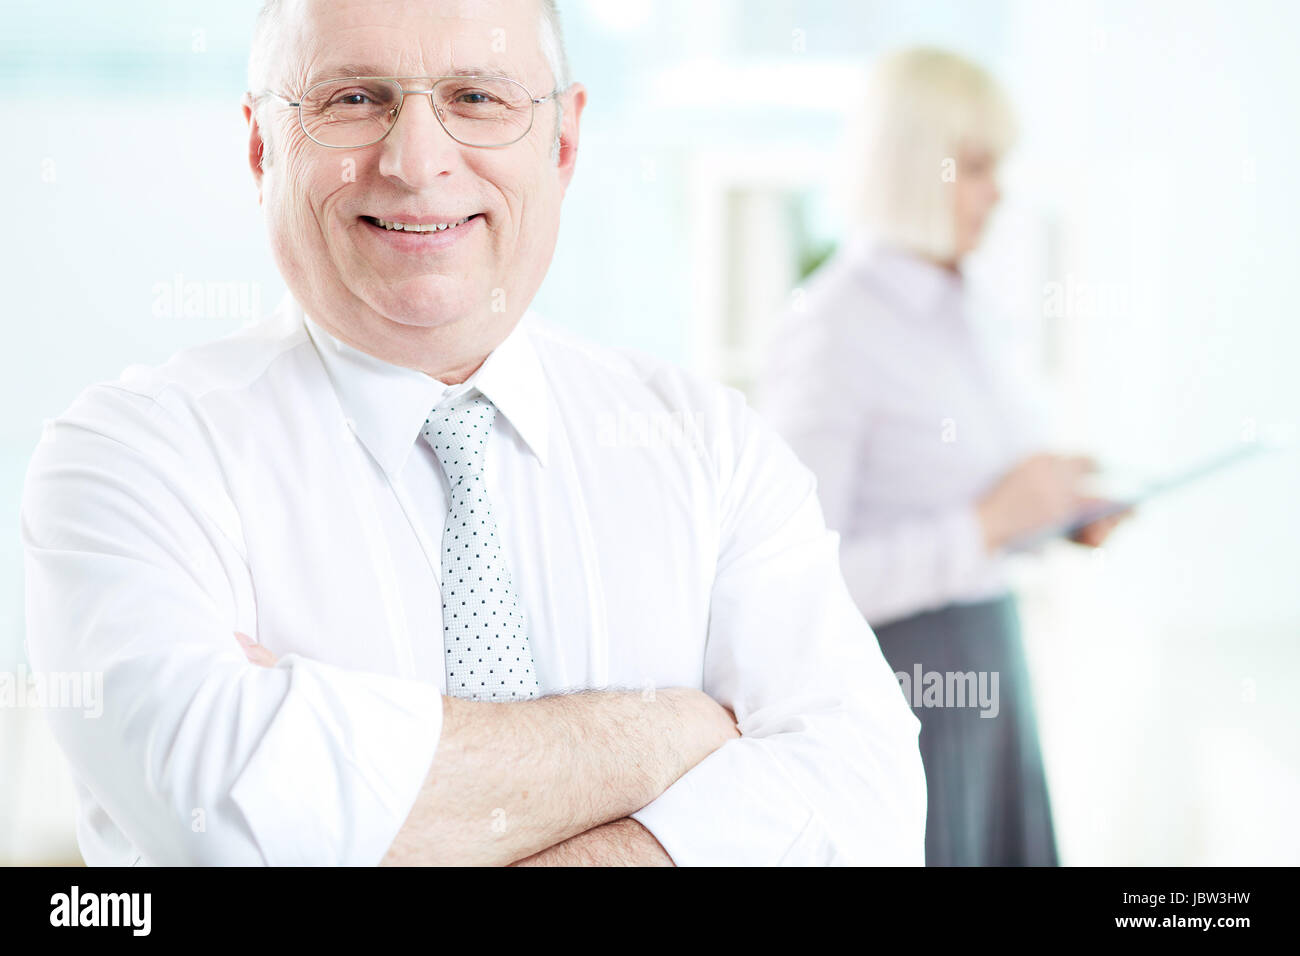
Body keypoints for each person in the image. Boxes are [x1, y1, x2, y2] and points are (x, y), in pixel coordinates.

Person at [20, 0, 925, 866]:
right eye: (353, 99)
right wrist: (666, 737)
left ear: (564, 142)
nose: (416, 162)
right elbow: (225, 818)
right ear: (262, 145)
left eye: (477, 98)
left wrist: (345, 778)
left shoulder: (710, 449)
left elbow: (869, 813)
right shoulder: (131, 460)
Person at [754, 47, 1128, 866]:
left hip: (993, 664)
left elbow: (975, 506)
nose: (998, 193)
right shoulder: (833, 329)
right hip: (907, 689)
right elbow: (795, 583)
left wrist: (1050, 515)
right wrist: (992, 521)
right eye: (981, 167)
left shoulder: (968, 307)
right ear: (919, 167)